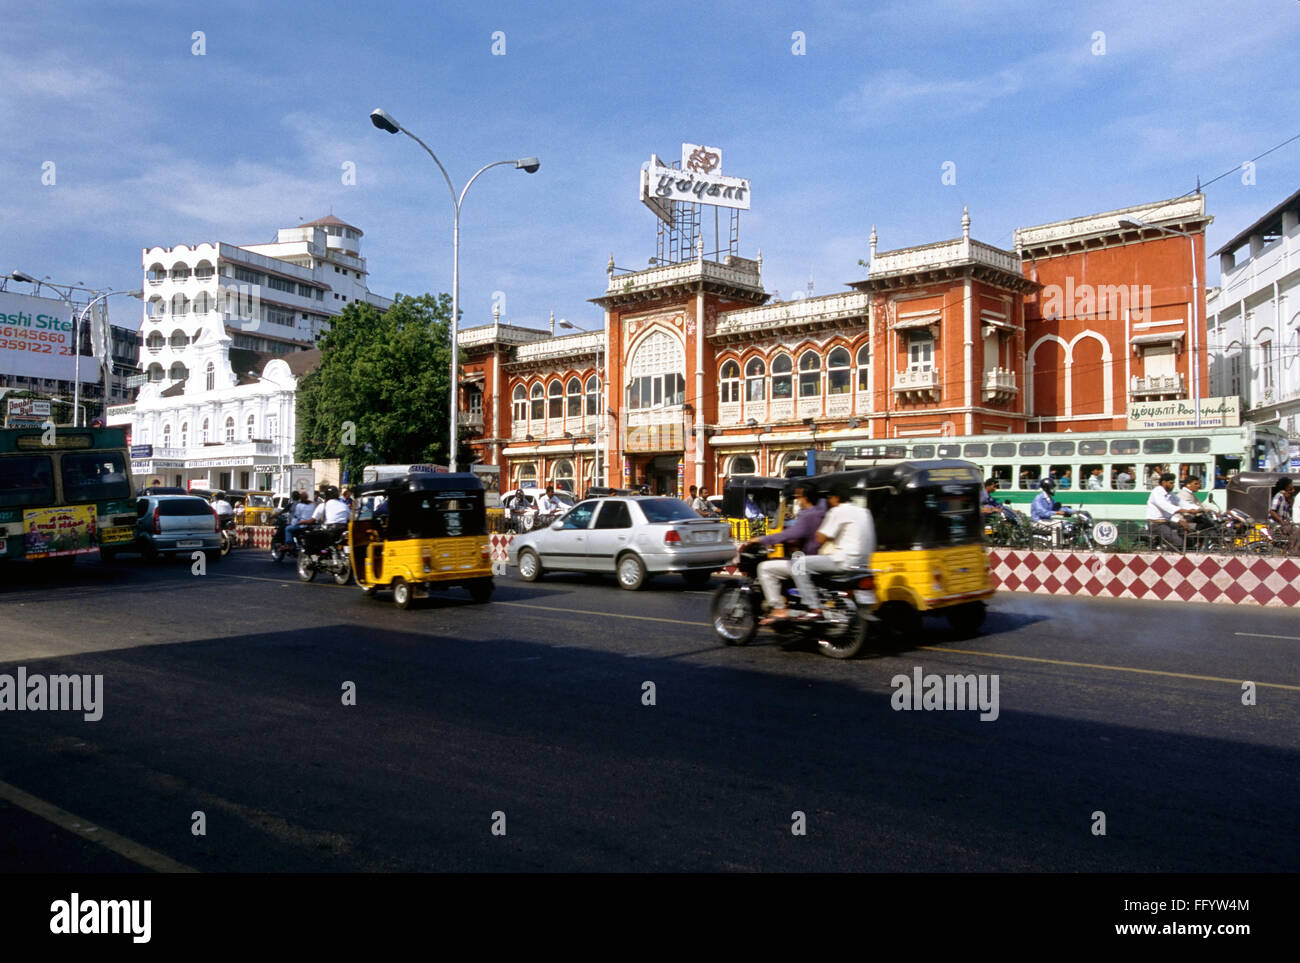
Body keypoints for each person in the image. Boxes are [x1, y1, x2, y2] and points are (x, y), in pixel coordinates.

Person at [777, 482, 875, 623]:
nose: (829, 502)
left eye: (829, 499)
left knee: (797, 563)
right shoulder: (865, 512)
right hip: (864, 564)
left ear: (835, 498)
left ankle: (813, 607)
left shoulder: (838, 511)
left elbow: (820, 538)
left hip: (844, 561)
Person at [741, 484, 826, 621]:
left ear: (806, 498)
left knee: (764, 568)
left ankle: (779, 608)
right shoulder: (822, 513)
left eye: (799, 497)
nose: (798, 500)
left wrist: (762, 539)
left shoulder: (808, 515)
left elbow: (790, 534)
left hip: (805, 561)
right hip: (815, 559)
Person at [1146, 472, 1185, 551]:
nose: (1173, 485)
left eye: (1173, 483)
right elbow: (1165, 506)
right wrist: (1184, 510)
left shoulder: (1169, 494)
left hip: (1166, 522)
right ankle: (1160, 548)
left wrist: (1196, 509)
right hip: (1156, 524)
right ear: (1164, 482)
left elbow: (1181, 502)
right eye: (1171, 483)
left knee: (1188, 528)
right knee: (1178, 542)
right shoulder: (1157, 492)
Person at [1030, 479, 1072, 546]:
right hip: (1038, 521)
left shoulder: (1050, 498)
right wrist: (1057, 513)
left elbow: (1056, 508)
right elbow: (1042, 513)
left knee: (1067, 523)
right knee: (1057, 525)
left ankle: (1066, 542)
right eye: (1051, 487)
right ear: (1046, 488)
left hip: (1046, 520)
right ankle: (1056, 546)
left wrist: (1074, 511)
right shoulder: (1038, 498)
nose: (1053, 489)